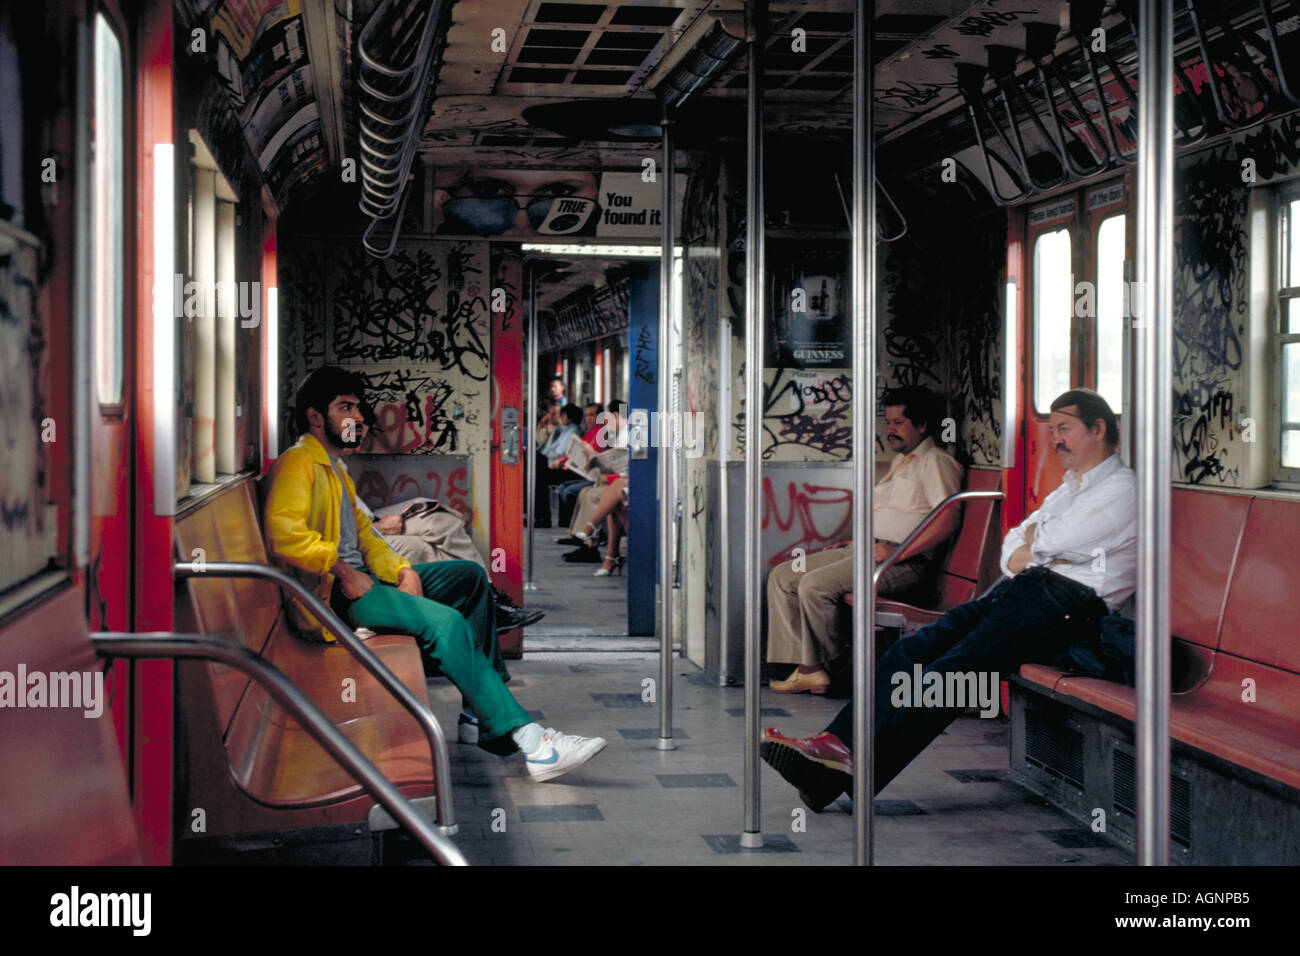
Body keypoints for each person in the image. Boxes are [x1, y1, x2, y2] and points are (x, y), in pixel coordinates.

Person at [760, 388, 1136, 810]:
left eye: (1064, 429)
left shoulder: (1123, 489)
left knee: (948, 676)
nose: (1056, 440)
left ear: (1099, 428)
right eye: (1053, 431)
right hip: (1025, 591)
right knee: (910, 653)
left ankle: (839, 770)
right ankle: (832, 752)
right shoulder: (1070, 489)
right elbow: (1014, 547)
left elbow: (1053, 540)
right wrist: (1034, 545)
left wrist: (1036, 544)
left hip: (1069, 606)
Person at [265, 366, 605, 781]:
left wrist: (403, 568)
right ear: (315, 417)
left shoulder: (335, 468)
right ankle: (532, 742)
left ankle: (475, 714)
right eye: (344, 408)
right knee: (445, 623)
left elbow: (367, 537)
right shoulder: (297, 464)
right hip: (332, 595)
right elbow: (283, 537)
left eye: (357, 407)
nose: (357, 417)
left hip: (357, 581)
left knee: (468, 577)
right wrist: (341, 570)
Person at [767, 386, 964, 694]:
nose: (891, 431)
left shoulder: (935, 462)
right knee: (784, 575)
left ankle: (835, 670)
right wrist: (851, 544)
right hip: (870, 549)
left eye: (899, 423)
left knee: (814, 586)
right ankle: (806, 666)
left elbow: (947, 520)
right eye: (888, 423)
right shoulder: (902, 461)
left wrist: (897, 552)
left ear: (922, 425)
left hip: (904, 562)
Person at [352, 402, 543, 631]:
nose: (359, 433)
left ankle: (489, 599)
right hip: (365, 537)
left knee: (440, 521)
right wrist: (378, 530)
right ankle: (489, 606)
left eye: (361, 425)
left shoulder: (336, 466)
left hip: (370, 524)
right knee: (427, 549)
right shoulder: (309, 466)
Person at [533, 402, 583, 528]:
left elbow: (560, 453)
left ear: (566, 416)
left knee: (540, 476)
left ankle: (543, 517)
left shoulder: (573, 431)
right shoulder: (564, 430)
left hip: (568, 469)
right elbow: (546, 449)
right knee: (537, 469)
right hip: (559, 465)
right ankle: (539, 515)